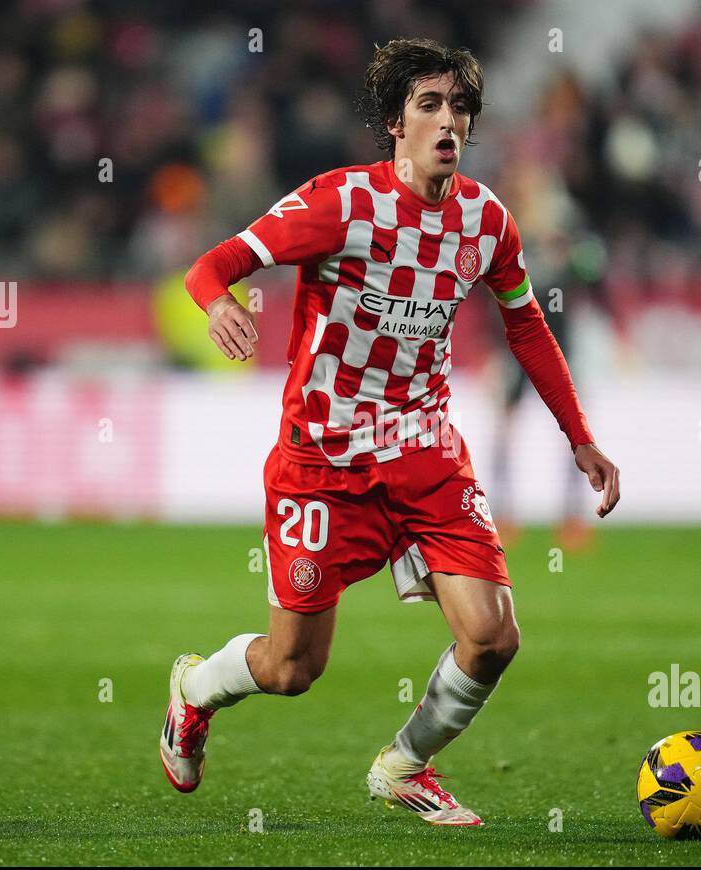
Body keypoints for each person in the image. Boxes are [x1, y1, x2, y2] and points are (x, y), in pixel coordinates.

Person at [169, 37, 619, 825]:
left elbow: (529, 329)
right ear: (395, 122)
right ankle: (195, 690)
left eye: (461, 108)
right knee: (292, 668)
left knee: (493, 636)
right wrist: (219, 304)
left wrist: (578, 435)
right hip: (322, 462)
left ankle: (406, 763)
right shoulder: (338, 204)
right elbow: (212, 266)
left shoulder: (487, 221)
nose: (450, 122)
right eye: (430, 105)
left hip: (425, 454)